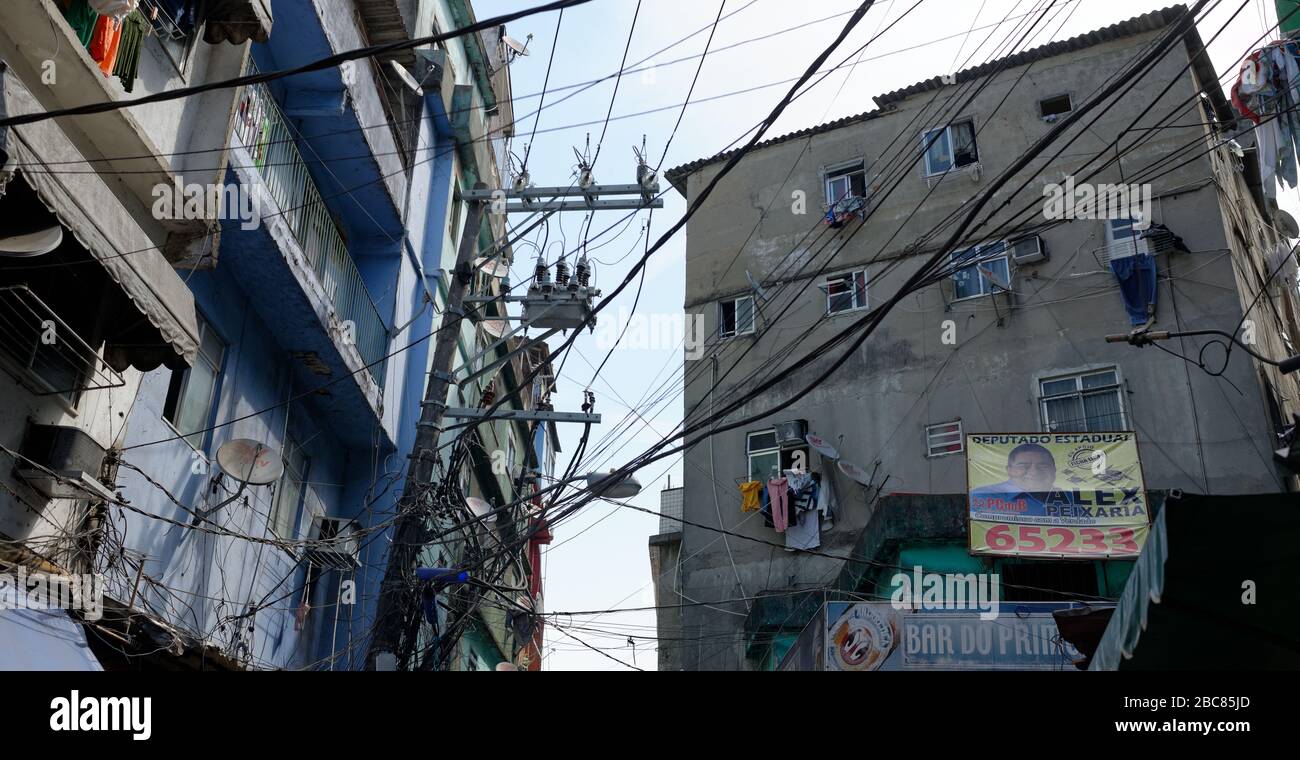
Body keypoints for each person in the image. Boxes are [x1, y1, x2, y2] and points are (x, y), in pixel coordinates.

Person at [970, 443, 1072, 515]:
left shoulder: (1072, 498)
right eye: (1023, 466)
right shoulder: (983, 496)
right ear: (1009, 470)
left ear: (1054, 470)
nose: (1034, 472)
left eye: (1043, 465)